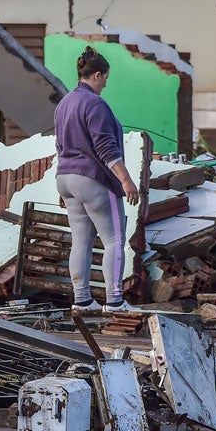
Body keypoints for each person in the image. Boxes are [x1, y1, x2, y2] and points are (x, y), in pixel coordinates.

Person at [55, 47, 141, 314]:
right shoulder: (95, 104)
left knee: (80, 241)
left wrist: (65, 187)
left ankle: (82, 300)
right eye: (105, 78)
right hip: (92, 179)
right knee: (114, 239)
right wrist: (126, 181)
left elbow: (60, 145)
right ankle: (114, 301)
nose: (106, 83)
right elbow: (105, 148)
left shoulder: (64, 103)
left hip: (65, 178)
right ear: (96, 75)